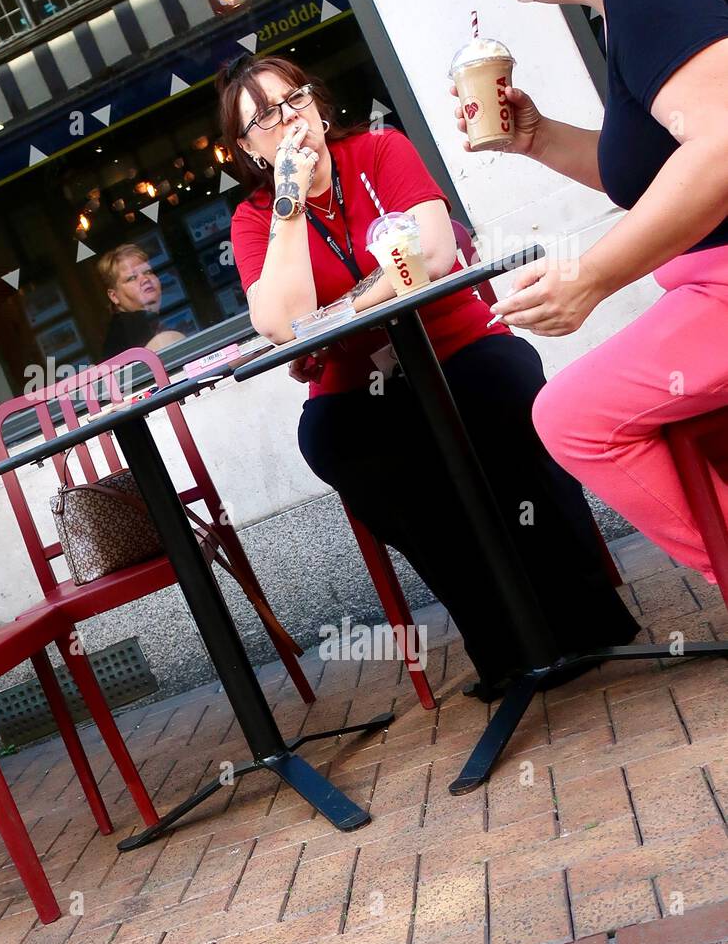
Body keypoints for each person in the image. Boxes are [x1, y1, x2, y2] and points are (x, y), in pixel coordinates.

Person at [220, 53, 637, 692]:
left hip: (457, 343)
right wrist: (289, 202)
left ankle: (582, 617)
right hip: (362, 386)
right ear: (248, 149)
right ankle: (503, 642)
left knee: (502, 396)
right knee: (339, 444)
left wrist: (337, 312)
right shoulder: (258, 218)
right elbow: (281, 323)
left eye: (294, 99)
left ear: (319, 102)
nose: (288, 122)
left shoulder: (381, 151)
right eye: (264, 121)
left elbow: (433, 255)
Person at [443, 0, 728, 584]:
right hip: (711, 278)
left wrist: (594, 275)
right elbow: (663, 165)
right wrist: (536, 138)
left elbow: (722, 147)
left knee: (575, 416)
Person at [97, 243, 187, 359]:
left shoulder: (147, 322)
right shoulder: (129, 331)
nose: (145, 279)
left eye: (148, 272)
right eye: (132, 278)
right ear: (114, 296)